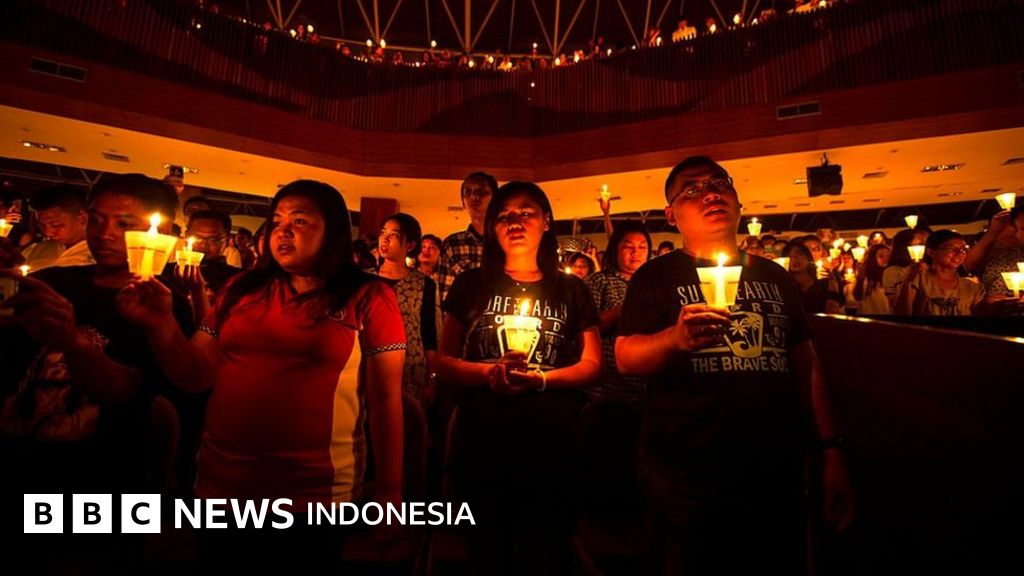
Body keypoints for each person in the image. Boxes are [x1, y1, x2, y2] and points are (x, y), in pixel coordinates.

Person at [117, 180, 405, 559]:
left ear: (332, 231)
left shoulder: (369, 296)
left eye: (300, 221)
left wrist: (389, 491)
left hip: (315, 496)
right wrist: (161, 322)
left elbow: (385, 399)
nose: (283, 230)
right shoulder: (241, 289)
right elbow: (194, 374)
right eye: (278, 220)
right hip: (221, 487)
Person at [615, 156, 853, 575]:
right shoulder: (656, 276)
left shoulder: (775, 277)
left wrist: (830, 450)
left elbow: (804, 361)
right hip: (684, 472)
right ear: (671, 215)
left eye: (719, 183)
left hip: (774, 470)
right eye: (691, 189)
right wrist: (675, 338)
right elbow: (626, 357)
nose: (710, 193)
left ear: (738, 201)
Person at [439, 181, 601, 575]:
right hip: (483, 439)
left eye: (525, 211)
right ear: (492, 227)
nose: (514, 221)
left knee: (545, 552)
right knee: (486, 552)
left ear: (546, 221)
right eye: (504, 215)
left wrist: (542, 381)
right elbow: (443, 361)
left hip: (552, 439)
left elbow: (593, 364)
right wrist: (487, 372)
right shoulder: (471, 285)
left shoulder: (571, 288)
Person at [584, 221, 651, 406]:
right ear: (615, 249)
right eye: (628, 246)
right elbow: (585, 330)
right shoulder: (600, 281)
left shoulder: (654, 284)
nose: (635, 252)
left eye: (642, 247)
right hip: (609, 390)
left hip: (648, 389)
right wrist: (621, 311)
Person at [377, 213, 439, 407]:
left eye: (394, 235)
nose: (385, 239)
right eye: (383, 232)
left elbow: (428, 333)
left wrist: (432, 378)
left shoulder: (424, 283)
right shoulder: (365, 280)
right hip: (372, 363)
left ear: (410, 245)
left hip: (411, 367)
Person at [894, 230, 986, 316]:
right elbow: (901, 311)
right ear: (931, 252)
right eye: (951, 249)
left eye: (963, 249)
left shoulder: (971, 287)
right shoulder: (918, 279)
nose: (959, 253)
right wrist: (909, 278)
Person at [438, 172, 497, 301]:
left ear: (495, 199)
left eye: (481, 191)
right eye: (468, 192)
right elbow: (446, 297)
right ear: (463, 202)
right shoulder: (452, 245)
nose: (474, 196)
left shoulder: (506, 240)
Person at [181, 209, 243, 324]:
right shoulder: (168, 272)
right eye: (197, 237)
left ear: (227, 240)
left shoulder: (239, 280)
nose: (203, 245)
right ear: (186, 235)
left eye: (214, 240)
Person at [19, 184, 94, 271]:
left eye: (56, 225)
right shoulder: (36, 249)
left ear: (82, 217)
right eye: (42, 225)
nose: (48, 232)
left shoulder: (99, 255)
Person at [966, 206, 1024, 296]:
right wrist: (992, 232)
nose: (1012, 230)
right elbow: (969, 266)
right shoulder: (988, 249)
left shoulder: (1020, 248)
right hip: (996, 304)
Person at [782, 242, 843, 314]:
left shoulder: (825, 283)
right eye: (789, 256)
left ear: (808, 257)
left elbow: (833, 312)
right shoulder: (785, 288)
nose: (795, 259)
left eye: (800, 254)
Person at [852, 243, 893, 315]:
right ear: (872, 258)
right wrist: (860, 279)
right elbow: (857, 297)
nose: (886, 259)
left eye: (888, 256)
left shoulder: (892, 274)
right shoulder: (867, 275)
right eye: (880, 256)